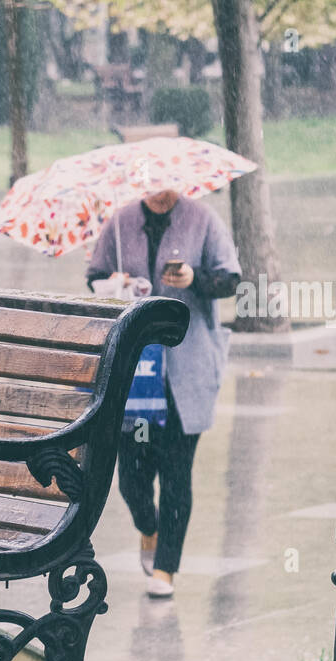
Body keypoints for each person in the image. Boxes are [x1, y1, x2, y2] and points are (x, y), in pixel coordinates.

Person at [85, 190, 241, 598]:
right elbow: (94, 275)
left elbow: (230, 279)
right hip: (133, 373)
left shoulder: (202, 219)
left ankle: (166, 569)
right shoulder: (119, 222)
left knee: (176, 474)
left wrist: (195, 279)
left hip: (185, 370)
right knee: (131, 478)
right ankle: (148, 527)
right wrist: (112, 283)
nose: (161, 190)